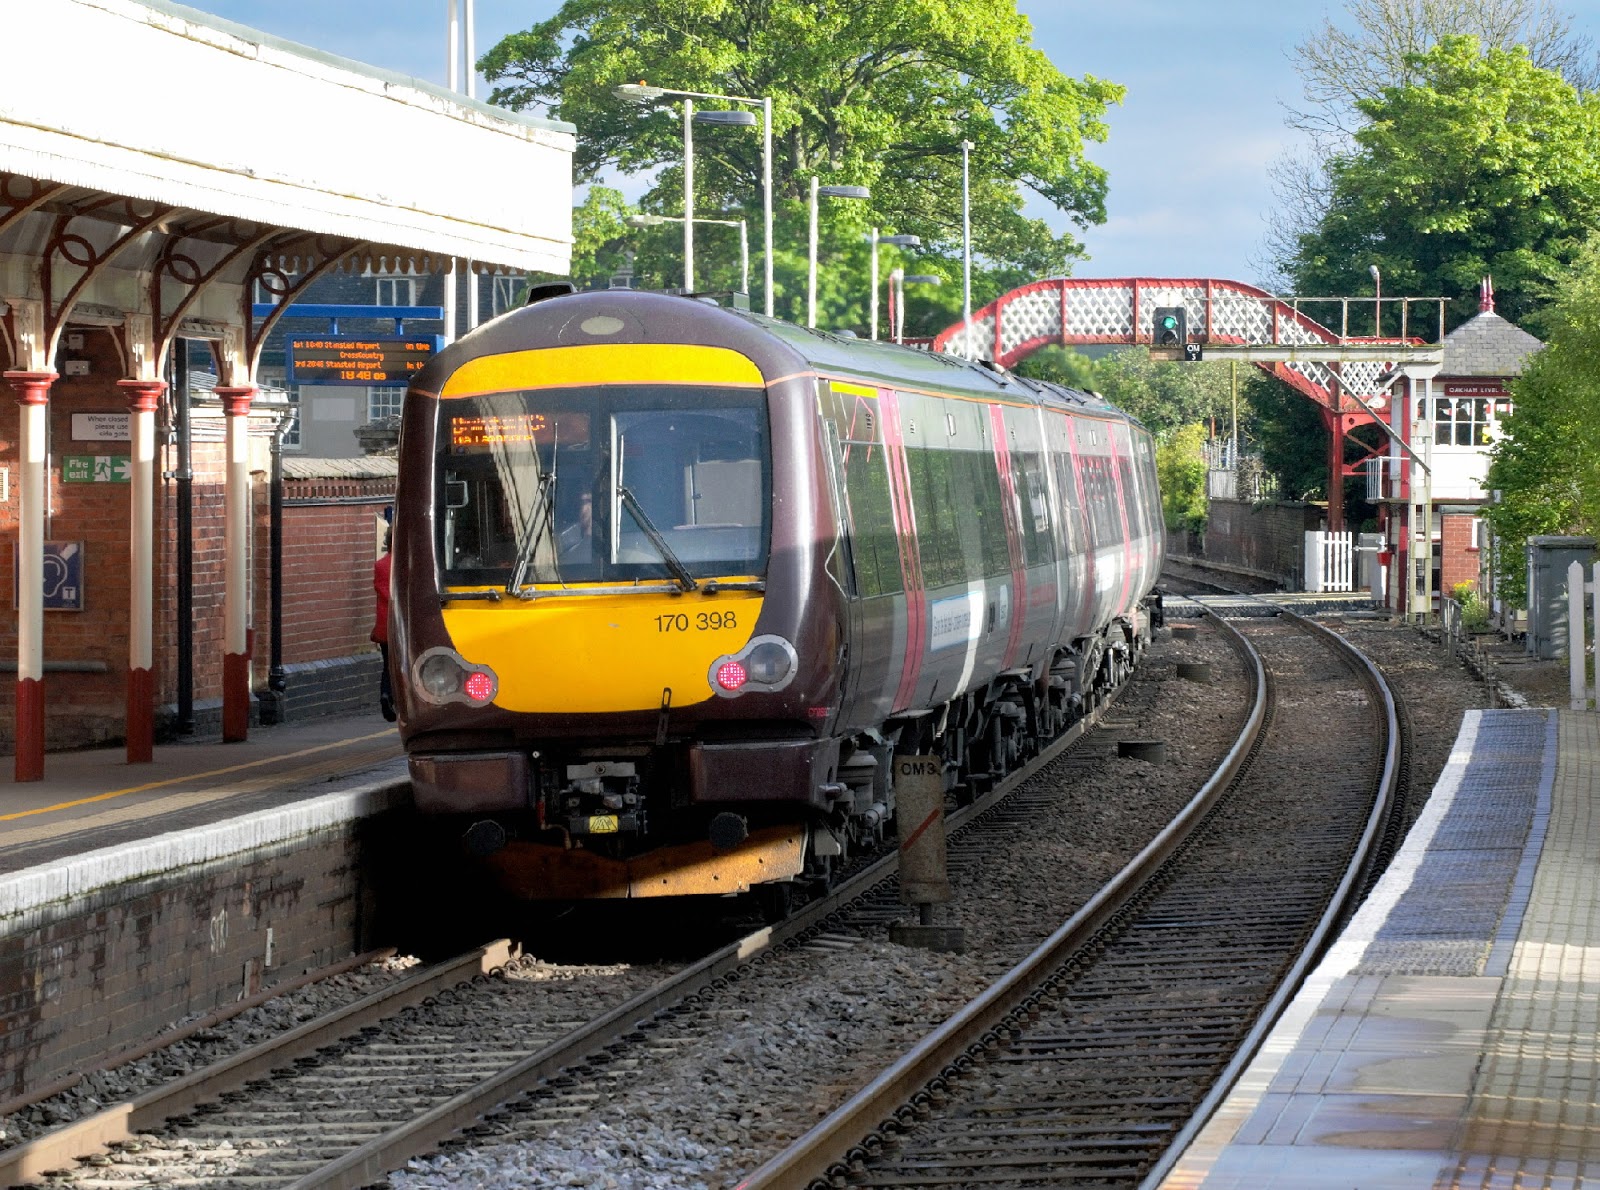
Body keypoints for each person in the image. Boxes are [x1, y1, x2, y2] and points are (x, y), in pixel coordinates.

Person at [372, 526, 396, 722]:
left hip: (383, 626)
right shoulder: (407, 565)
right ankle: (395, 698)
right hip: (401, 625)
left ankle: (385, 694)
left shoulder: (380, 565)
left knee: (387, 664)